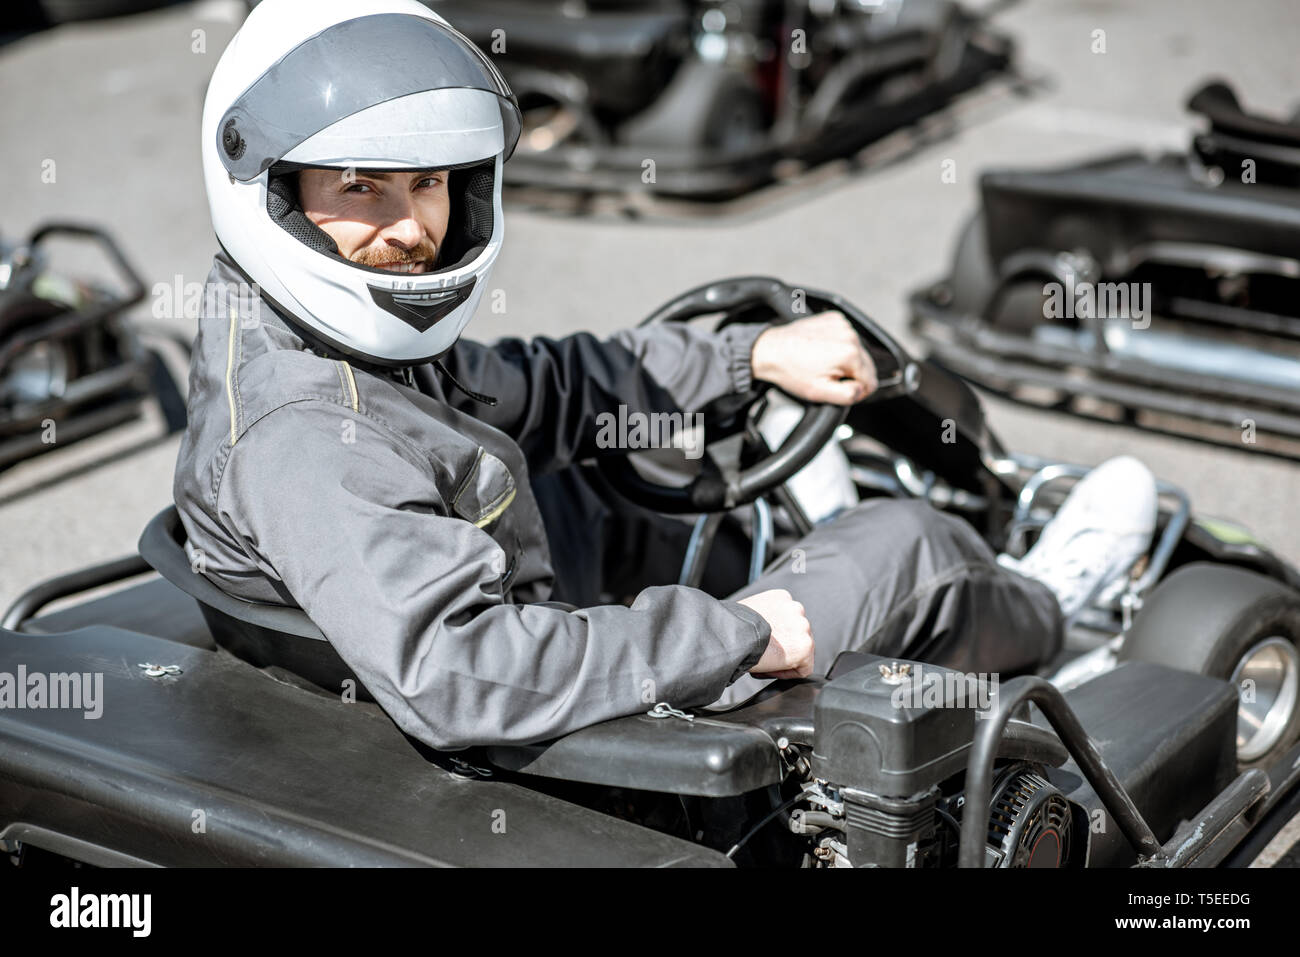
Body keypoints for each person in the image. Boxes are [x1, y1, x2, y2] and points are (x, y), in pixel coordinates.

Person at [176, 0, 1156, 750]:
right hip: (565, 737)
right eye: (361, 187)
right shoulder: (308, 431)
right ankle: (1047, 608)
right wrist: (741, 637)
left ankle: (791, 519)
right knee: (904, 543)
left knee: (645, 478)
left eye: (427, 183)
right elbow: (458, 674)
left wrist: (743, 357)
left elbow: (544, 390)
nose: (411, 228)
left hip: (513, 597)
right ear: (275, 191)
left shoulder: (306, 338)